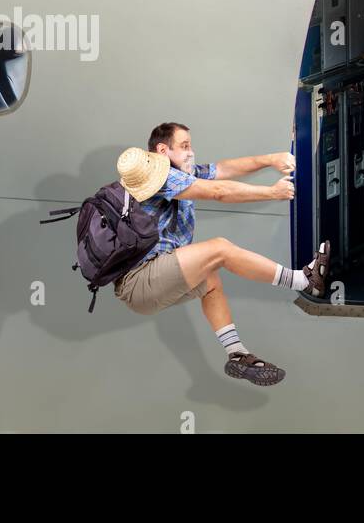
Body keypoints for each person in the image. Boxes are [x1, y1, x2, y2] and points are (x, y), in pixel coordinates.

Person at [113, 122, 330, 386]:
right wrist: (272, 192)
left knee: (211, 282)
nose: (191, 152)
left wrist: (270, 159)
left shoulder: (182, 173)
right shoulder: (161, 177)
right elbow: (218, 191)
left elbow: (224, 169)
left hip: (148, 288)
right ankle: (303, 281)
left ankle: (237, 354)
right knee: (220, 249)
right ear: (162, 150)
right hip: (140, 281)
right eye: (184, 146)